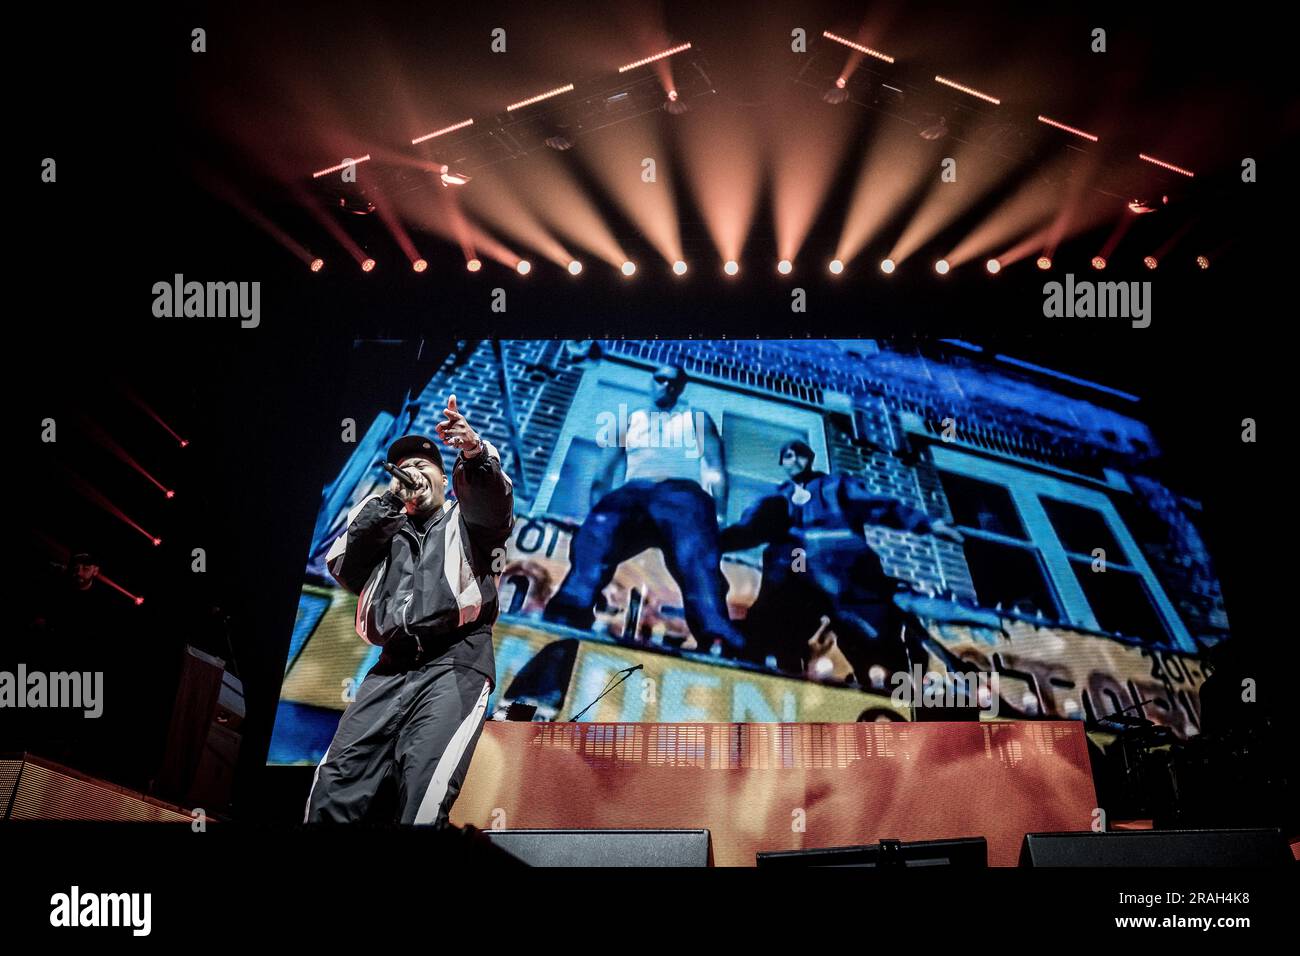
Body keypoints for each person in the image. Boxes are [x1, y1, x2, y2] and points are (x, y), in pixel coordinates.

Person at [305, 395, 514, 826]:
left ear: (444, 477)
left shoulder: (467, 520)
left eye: (424, 468)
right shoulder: (387, 524)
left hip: (456, 663)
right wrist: (390, 503)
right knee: (336, 781)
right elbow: (344, 564)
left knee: (426, 791)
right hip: (389, 667)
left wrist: (474, 453)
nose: (413, 475)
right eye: (405, 470)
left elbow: (493, 501)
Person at [543, 364, 747, 656]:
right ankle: (569, 608)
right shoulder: (628, 420)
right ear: (651, 381)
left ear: (681, 388)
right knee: (596, 536)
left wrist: (717, 519)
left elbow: (716, 470)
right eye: (660, 378)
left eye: (673, 382)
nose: (666, 385)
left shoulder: (697, 419)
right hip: (635, 493)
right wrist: (596, 517)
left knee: (698, 562)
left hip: (681, 494)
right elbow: (603, 476)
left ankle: (715, 631)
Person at [719, 440, 963, 681]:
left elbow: (877, 506)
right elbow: (749, 528)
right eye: (789, 455)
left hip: (842, 569)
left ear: (810, 458)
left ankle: (886, 683)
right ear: (782, 462)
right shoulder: (777, 498)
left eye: (800, 454)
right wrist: (712, 541)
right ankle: (774, 672)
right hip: (796, 565)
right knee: (774, 621)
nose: (795, 460)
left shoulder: (837, 486)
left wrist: (929, 524)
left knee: (870, 637)